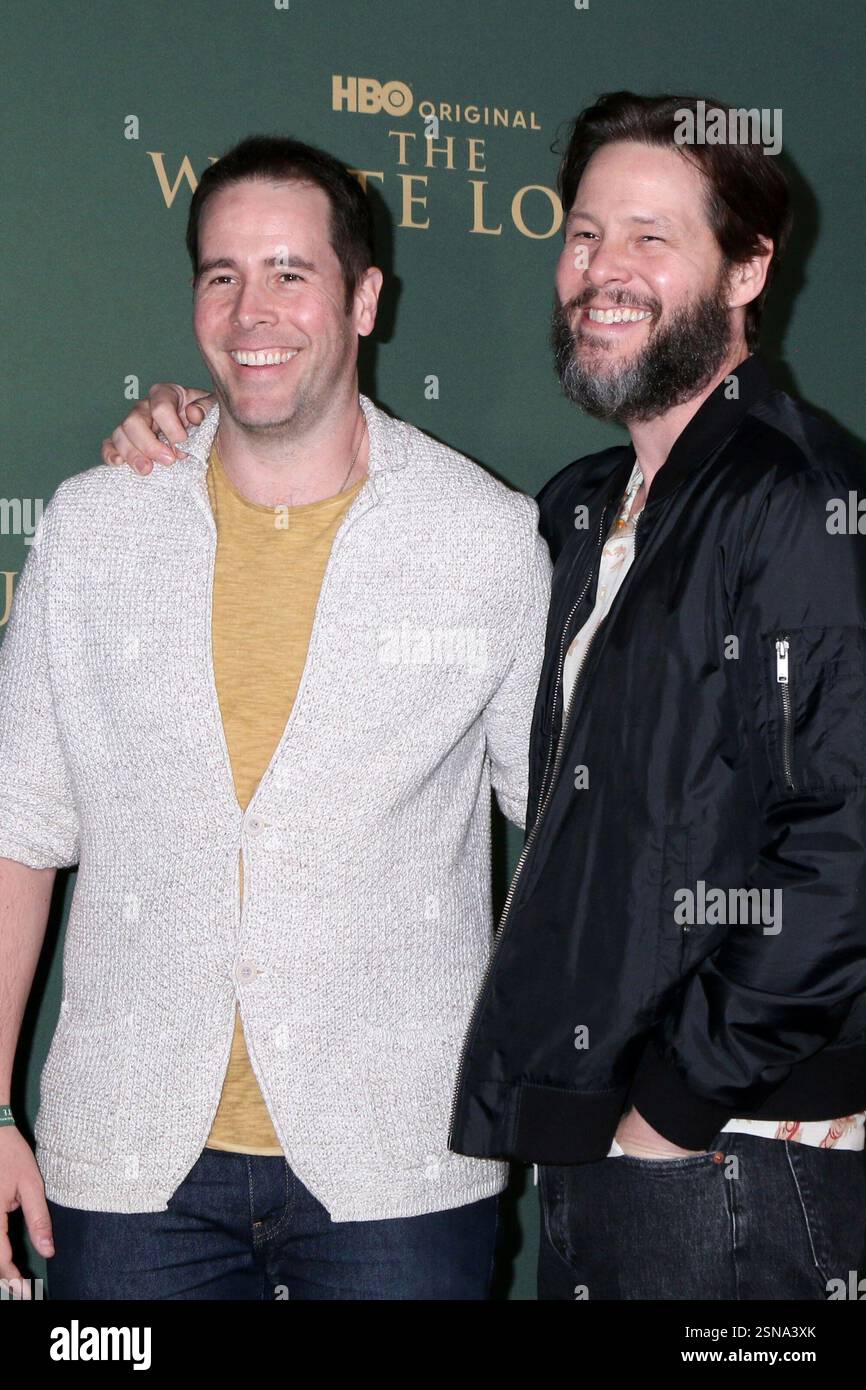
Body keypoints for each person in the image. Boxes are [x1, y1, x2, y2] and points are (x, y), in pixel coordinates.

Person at [0, 134, 551, 1300]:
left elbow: (561, 833)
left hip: (401, 1169)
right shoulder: (96, 530)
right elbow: (18, 829)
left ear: (362, 298)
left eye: (290, 273)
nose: (253, 310)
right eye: (221, 274)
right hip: (126, 1170)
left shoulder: (485, 541)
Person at [446, 90, 866, 1300]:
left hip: (740, 1159)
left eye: (649, 236)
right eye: (583, 234)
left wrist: (671, 1113)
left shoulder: (796, 499)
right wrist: (203, 430)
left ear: (744, 269)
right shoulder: (585, 507)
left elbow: (842, 848)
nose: (601, 270)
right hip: (622, 1142)